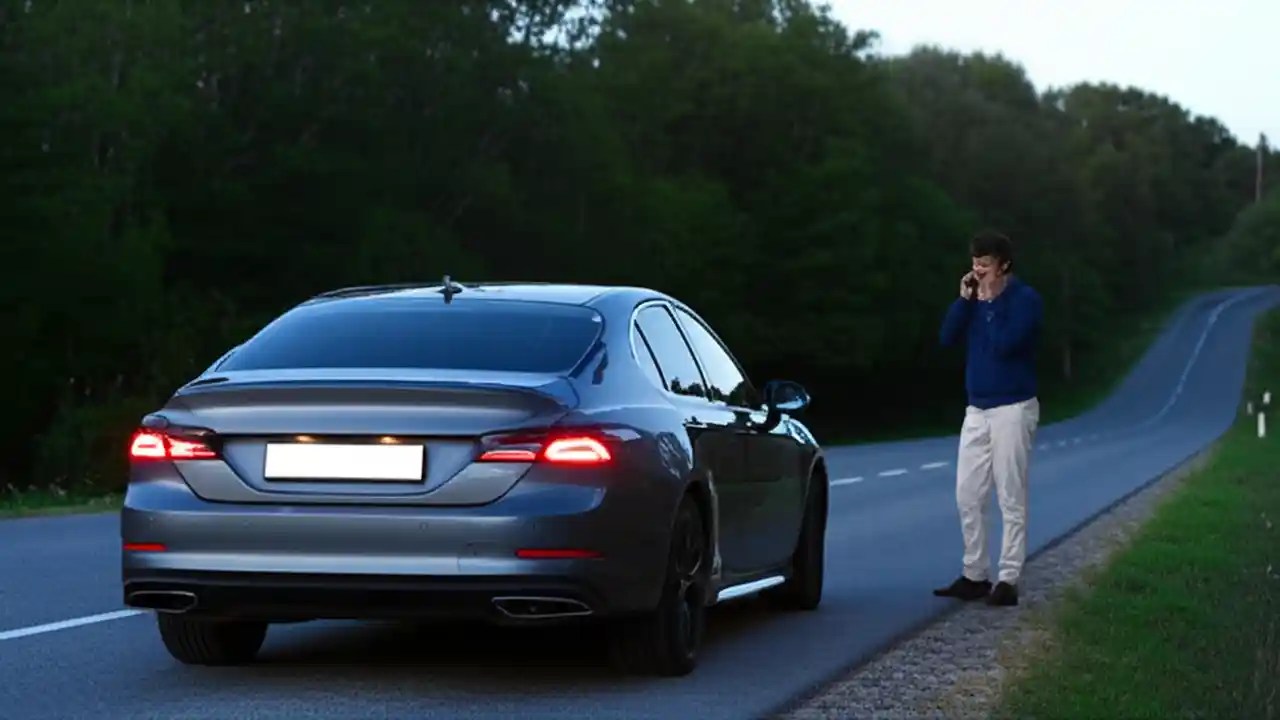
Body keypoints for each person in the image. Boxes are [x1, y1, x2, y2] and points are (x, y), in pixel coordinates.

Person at [932, 230, 1042, 607]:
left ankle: (1008, 578)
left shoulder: (1024, 301)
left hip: (1013, 406)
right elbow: (947, 338)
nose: (978, 271)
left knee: (1010, 493)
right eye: (974, 264)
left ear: (1004, 265)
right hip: (977, 407)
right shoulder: (974, 299)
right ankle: (974, 573)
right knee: (968, 493)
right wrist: (965, 301)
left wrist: (992, 303)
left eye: (985, 265)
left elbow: (1005, 346)